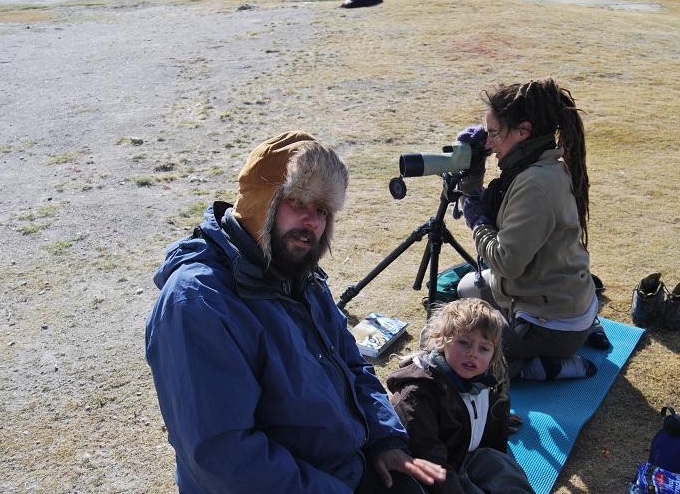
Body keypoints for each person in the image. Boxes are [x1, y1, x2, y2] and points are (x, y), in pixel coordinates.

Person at [144, 131, 446, 493]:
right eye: (298, 202)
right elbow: (225, 457)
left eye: (322, 210)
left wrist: (384, 437)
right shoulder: (198, 304)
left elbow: (351, 365)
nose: (312, 222)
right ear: (261, 203)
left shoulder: (297, 273)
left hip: (345, 466)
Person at [455, 78, 608, 381]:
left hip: (552, 324)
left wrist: (478, 222)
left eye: (494, 133)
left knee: (465, 356)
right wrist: (473, 174)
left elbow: (506, 263)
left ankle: (549, 366)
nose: (489, 142)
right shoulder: (537, 166)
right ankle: (583, 330)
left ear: (523, 131)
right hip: (560, 298)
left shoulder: (535, 184)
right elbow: (495, 212)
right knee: (465, 288)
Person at [386, 298, 535, 494]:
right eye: (464, 343)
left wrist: (495, 422)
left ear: (494, 354)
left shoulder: (487, 379)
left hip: (468, 454)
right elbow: (428, 457)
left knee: (502, 468)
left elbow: (477, 410)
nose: (473, 353)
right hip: (437, 470)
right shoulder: (416, 395)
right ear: (441, 340)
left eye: (483, 348)